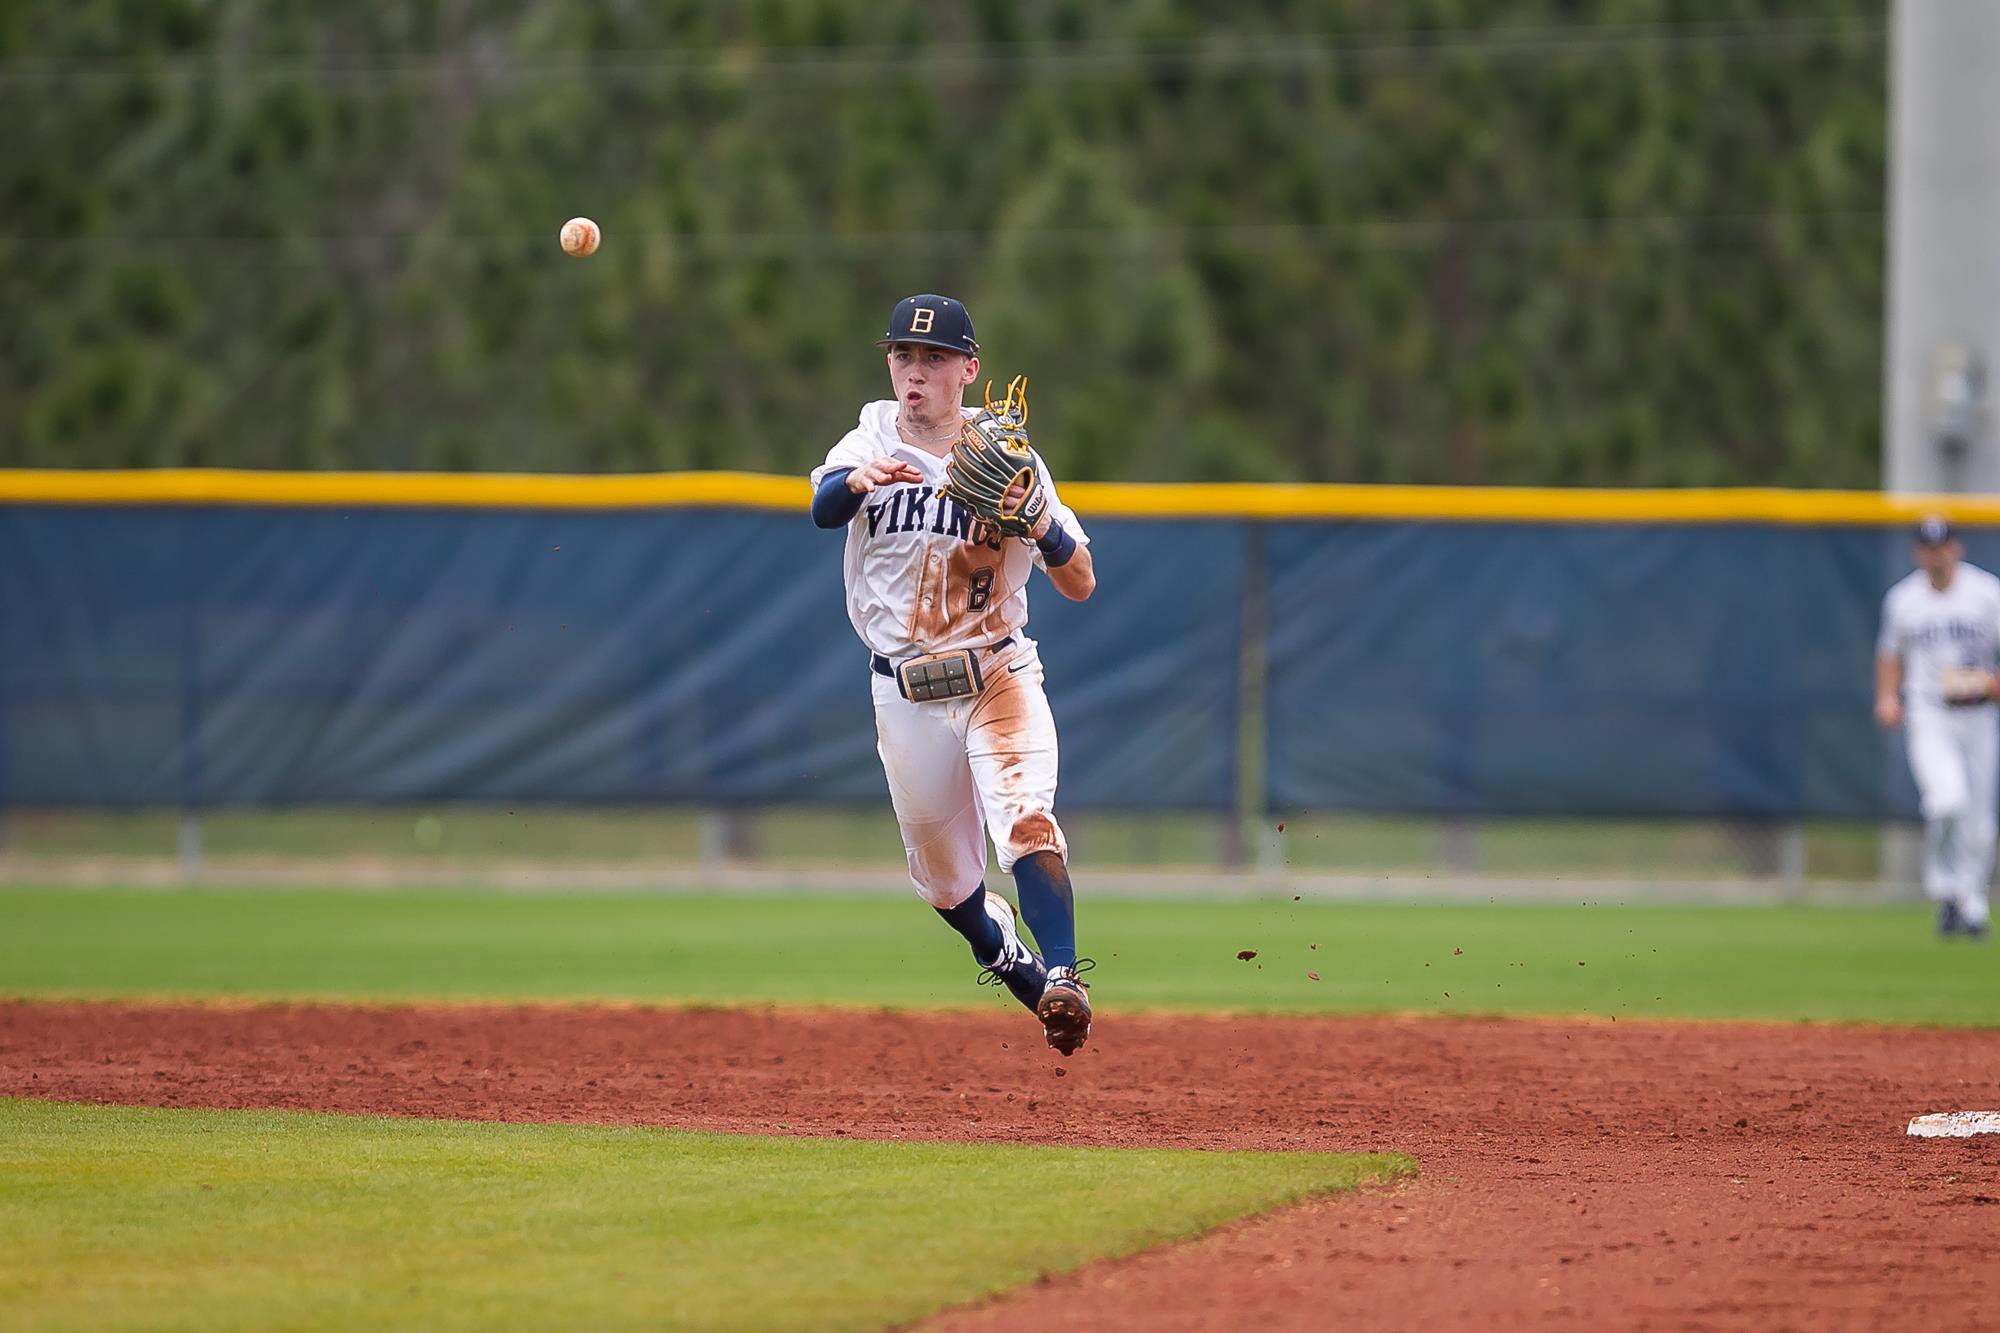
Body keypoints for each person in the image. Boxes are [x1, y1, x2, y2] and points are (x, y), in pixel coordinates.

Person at [808, 294, 1099, 1051]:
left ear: (969, 369)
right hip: (903, 688)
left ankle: (1065, 976)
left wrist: (1037, 521)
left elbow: (1081, 580)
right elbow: (821, 504)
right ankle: (1009, 959)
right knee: (945, 884)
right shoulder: (869, 435)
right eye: (904, 355)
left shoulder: (1007, 456)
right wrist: (857, 482)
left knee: (1026, 818)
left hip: (998, 672)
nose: (917, 371)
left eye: (935, 358)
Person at [1875, 515, 2000, 941]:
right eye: (1928, 547)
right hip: (1929, 712)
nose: (1936, 554)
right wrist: (1888, 697)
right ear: (1917, 553)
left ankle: (1972, 902)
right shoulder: (1904, 599)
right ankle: (1948, 889)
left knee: (1980, 819)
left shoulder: (1986, 593)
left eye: (1942, 545)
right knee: (1947, 801)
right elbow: (1889, 653)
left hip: (1978, 713)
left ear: (1957, 548)